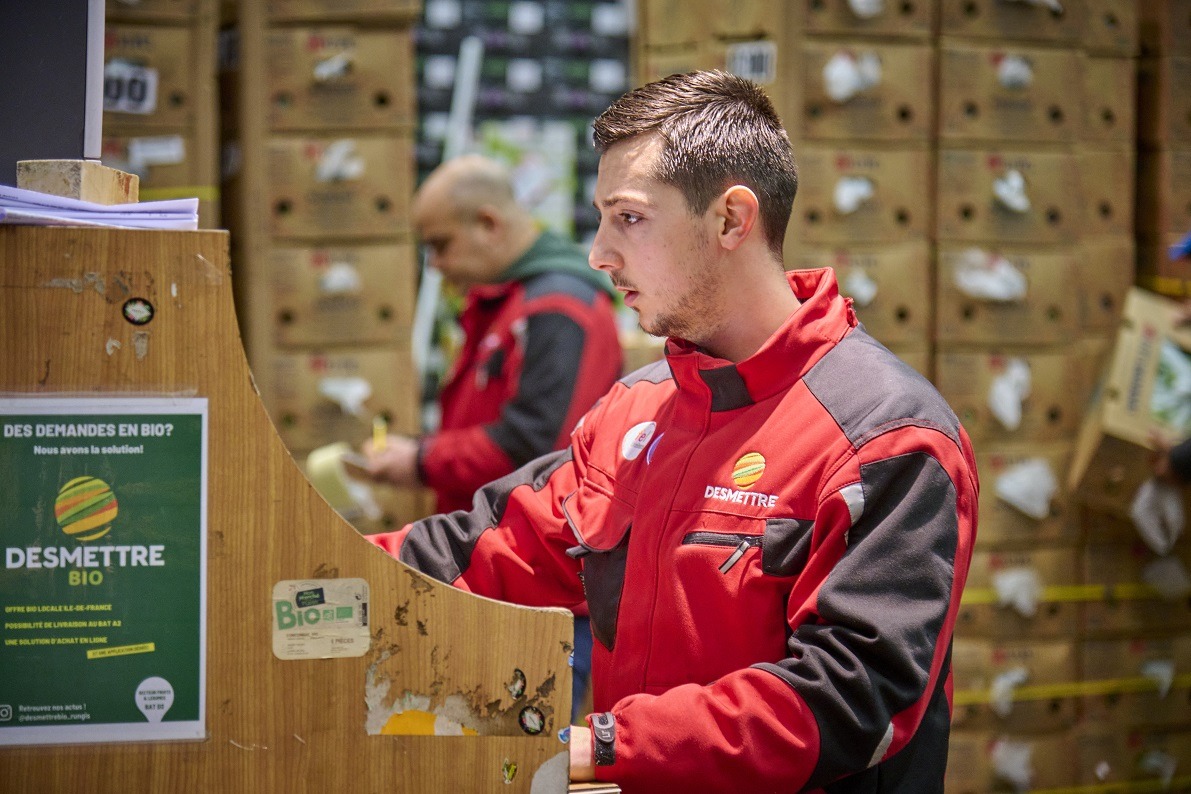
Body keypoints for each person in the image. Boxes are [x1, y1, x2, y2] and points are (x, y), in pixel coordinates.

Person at [364, 70, 979, 792]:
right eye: (601, 218)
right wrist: (317, 575)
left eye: (628, 218)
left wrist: (604, 747)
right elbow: (492, 547)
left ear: (731, 220)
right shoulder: (635, 410)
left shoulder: (887, 439)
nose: (598, 254)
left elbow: (850, 701)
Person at [358, 154, 621, 718]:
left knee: (518, 755)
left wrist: (422, 460)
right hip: (492, 573)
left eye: (441, 244)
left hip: (537, 590)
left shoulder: (558, 309)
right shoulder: (512, 303)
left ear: (488, 223)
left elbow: (536, 447)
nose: (435, 265)